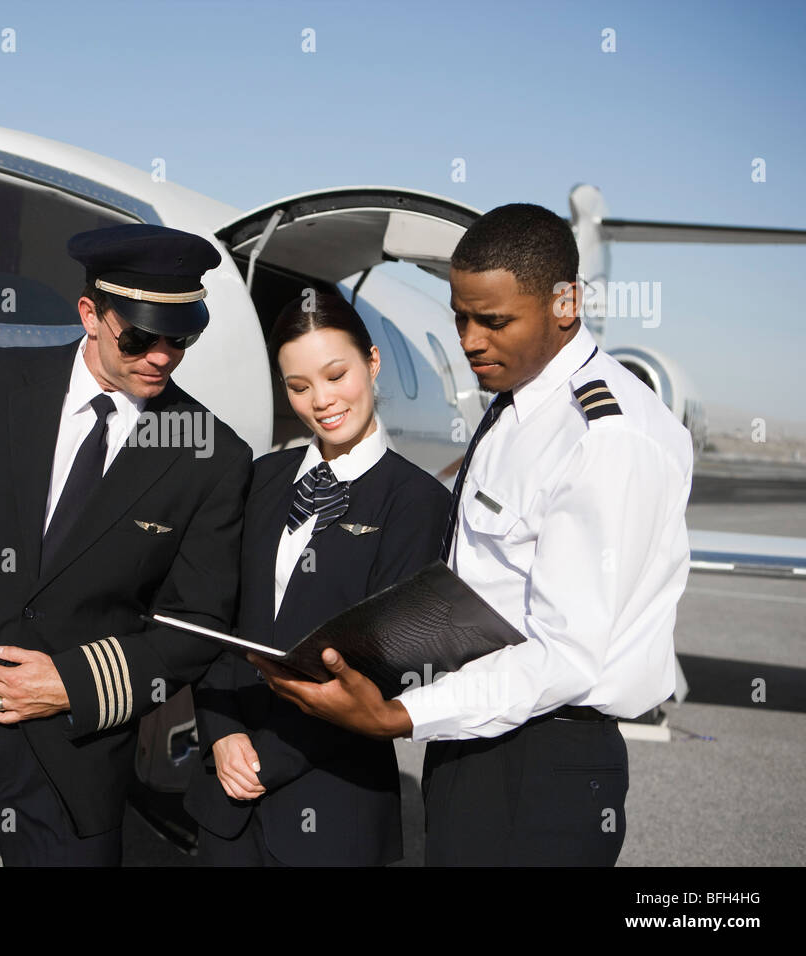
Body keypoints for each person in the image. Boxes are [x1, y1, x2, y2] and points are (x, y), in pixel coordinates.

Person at [253, 203, 693, 866]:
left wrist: (394, 718)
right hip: (476, 743)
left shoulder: (604, 438)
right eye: (460, 315)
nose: (470, 340)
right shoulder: (520, 404)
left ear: (566, 304)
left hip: (542, 764)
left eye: (494, 320)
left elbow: (563, 657)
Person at [0, 223, 252, 866]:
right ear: (91, 313)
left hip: (77, 766)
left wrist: (72, 683)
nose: (162, 356)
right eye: (140, 336)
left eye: (181, 338)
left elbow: (198, 627)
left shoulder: (212, 455)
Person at [185, 291, 451, 866]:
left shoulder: (417, 502)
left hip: (335, 807)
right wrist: (222, 731)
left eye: (337, 375)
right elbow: (216, 618)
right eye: (298, 387)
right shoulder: (262, 479)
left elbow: (385, 667)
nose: (322, 401)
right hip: (229, 802)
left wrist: (263, 758)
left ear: (372, 363)